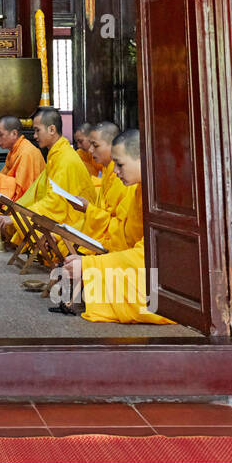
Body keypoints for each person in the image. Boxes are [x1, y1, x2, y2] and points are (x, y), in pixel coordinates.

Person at [57, 129, 175, 325]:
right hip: (139, 261)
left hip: (166, 273)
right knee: (103, 280)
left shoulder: (162, 195)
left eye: (120, 164)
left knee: (130, 296)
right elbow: (124, 233)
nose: (116, 171)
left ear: (142, 158)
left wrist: (90, 265)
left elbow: (152, 253)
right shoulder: (139, 188)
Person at [0, 107, 92, 250]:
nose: (34, 136)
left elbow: (56, 203)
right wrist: (16, 212)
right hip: (55, 211)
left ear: (52, 130)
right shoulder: (56, 155)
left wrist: (17, 217)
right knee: (18, 224)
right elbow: (36, 191)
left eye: (37, 130)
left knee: (30, 230)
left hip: (72, 219)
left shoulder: (65, 159)